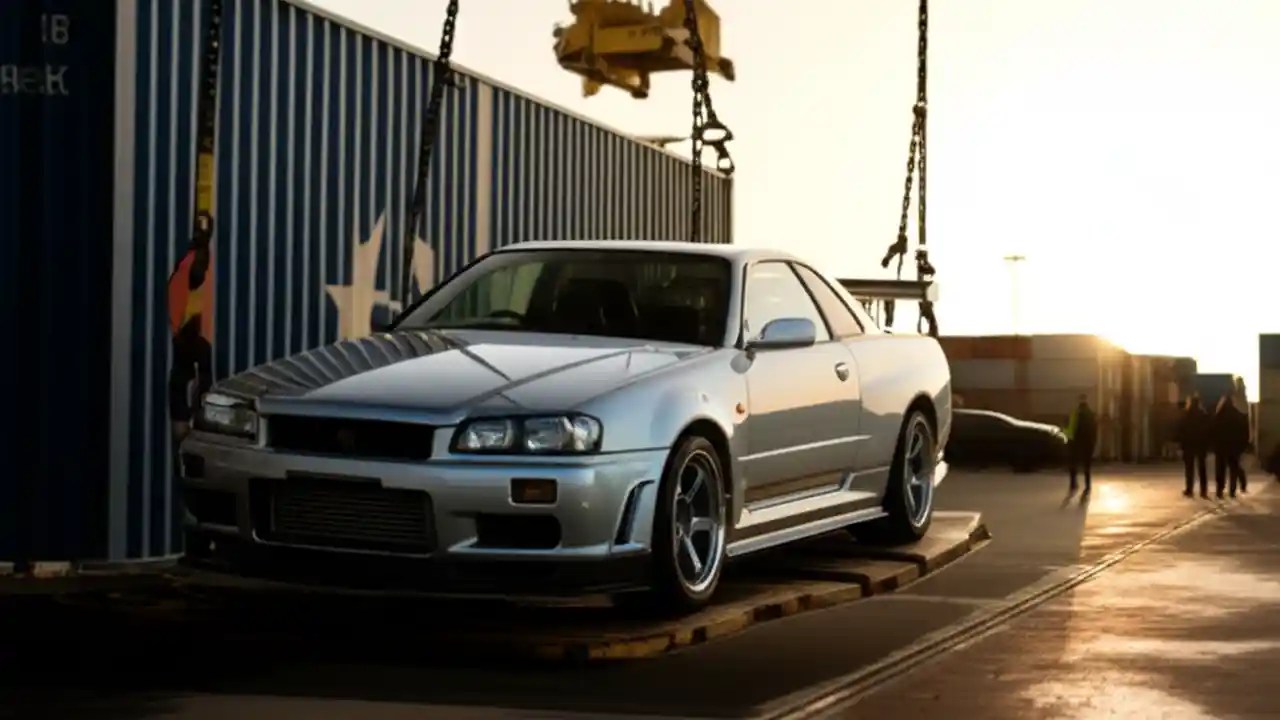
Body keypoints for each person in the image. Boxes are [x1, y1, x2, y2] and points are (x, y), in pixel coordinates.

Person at [1210, 395, 1248, 498]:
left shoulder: (1218, 416)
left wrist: (1213, 445)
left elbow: (1212, 431)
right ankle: (1232, 490)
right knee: (1234, 468)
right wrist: (1242, 446)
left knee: (1220, 469)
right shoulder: (1238, 416)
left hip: (1220, 447)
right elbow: (1244, 432)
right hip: (1234, 447)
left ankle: (1220, 490)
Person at [1176, 395, 1210, 498]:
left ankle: (1189, 489)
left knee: (1189, 468)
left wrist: (1181, 444)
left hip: (1189, 444)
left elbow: (1181, 430)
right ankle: (1203, 491)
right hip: (1200, 444)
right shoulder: (1203, 415)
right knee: (1202, 468)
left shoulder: (1186, 414)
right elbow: (1207, 430)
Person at [1065, 394, 1098, 495]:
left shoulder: (1075, 414)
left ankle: (1073, 484)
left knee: (1073, 464)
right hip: (1088, 443)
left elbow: (1069, 428)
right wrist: (1093, 442)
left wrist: (1068, 440)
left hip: (1076, 443)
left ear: (1078, 401)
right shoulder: (1091, 414)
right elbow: (1094, 430)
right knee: (1087, 466)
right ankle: (1087, 486)